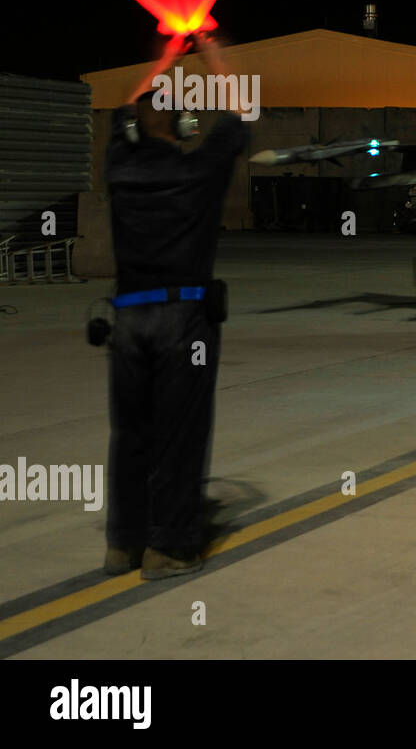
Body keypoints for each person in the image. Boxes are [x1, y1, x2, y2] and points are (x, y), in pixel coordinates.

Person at [103, 90, 248, 579]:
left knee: (130, 435)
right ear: (185, 126)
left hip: (126, 320)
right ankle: (170, 547)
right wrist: (204, 43)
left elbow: (122, 116)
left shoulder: (119, 168)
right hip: (184, 320)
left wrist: (163, 55)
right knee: (180, 435)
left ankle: (123, 544)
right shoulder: (199, 171)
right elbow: (238, 116)